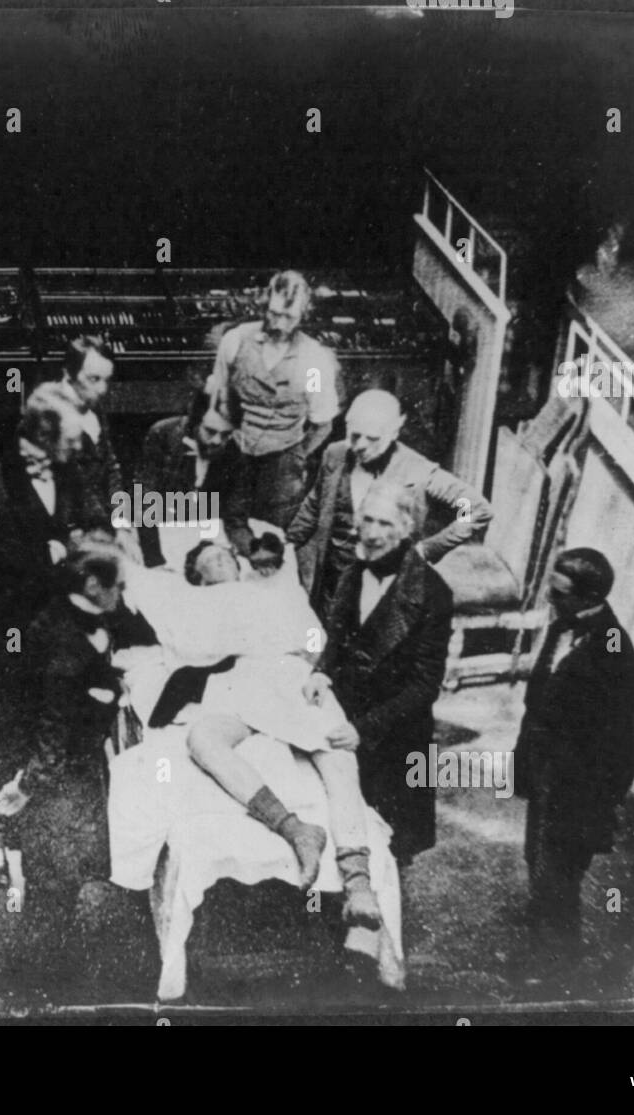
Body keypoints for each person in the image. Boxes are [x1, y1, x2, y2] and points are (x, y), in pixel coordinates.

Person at [163, 540, 385, 932]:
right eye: (210, 561)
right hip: (240, 680)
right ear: (199, 577)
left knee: (336, 749)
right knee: (202, 738)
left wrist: (312, 665)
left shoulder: (278, 594)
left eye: (225, 554)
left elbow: (317, 638)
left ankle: (357, 880)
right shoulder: (197, 602)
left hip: (290, 674)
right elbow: (189, 649)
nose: (222, 560)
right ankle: (296, 829)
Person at [0, 383, 105, 881]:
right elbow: (2, 577)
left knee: (51, 738)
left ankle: (44, 847)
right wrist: (57, 559)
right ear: (45, 436)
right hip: (14, 634)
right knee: (9, 734)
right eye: (70, 440)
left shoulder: (66, 468)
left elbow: (89, 516)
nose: (79, 448)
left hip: (59, 629)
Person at [0, 541, 126, 993]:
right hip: (59, 777)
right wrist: (29, 785)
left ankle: (46, 972)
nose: (121, 594)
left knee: (58, 877)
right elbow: (53, 726)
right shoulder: (64, 647)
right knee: (54, 878)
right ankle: (43, 986)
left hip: (68, 765)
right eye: (118, 586)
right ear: (93, 585)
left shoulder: (73, 618)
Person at [307, 482, 454, 867]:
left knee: (390, 847)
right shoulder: (354, 570)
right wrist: (322, 672)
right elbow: (337, 636)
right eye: (366, 520)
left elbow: (425, 686)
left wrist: (366, 728)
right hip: (348, 716)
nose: (371, 533)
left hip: (394, 736)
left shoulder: (432, 593)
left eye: (384, 523)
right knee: (346, 832)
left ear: (407, 529)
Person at [515, 548, 634, 974]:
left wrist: (599, 804)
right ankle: (543, 946)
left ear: (589, 596)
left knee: (560, 876)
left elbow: (622, 744)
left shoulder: (614, 651)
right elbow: (540, 704)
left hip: (578, 790)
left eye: (559, 592)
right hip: (546, 777)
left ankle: (558, 969)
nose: (550, 598)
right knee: (538, 860)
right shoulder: (562, 625)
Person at [287, 389, 493, 614]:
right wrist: (289, 542)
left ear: (394, 432)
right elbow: (315, 502)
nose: (361, 445)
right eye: (355, 435)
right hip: (332, 581)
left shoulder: (418, 470)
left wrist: (428, 549)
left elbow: (475, 508)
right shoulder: (335, 455)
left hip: (384, 587)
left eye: (373, 438)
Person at [207, 270, 340, 534]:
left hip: (280, 464)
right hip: (234, 451)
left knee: (270, 538)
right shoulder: (235, 341)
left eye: (288, 317)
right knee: (219, 528)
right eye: (273, 313)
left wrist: (297, 457)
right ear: (264, 304)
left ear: (304, 314)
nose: (278, 324)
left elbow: (321, 422)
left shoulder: (313, 363)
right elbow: (218, 391)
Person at [135, 392, 251, 564]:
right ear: (195, 421)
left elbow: (236, 517)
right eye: (210, 431)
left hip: (204, 535)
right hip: (160, 533)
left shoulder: (234, 454)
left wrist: (252, 551)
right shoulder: (163, 434)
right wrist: (153, 558)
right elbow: (145, 500)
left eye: (226, 434)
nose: (217, 441)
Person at [60, 336, 123, 521]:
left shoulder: (93, 406)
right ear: (68, 374)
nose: (103, 389)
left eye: (106, 380)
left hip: (99, 519)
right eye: (94, 379)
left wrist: (121, 517)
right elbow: (76, 485)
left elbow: (111, 467)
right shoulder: (50, 415)